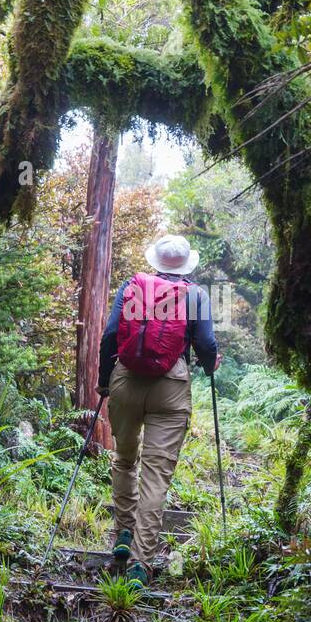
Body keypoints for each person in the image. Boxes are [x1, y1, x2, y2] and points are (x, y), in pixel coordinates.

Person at [98, 234, 219, 587]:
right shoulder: (195, 295)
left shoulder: (131, 287)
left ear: (155, 263)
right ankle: (140, 562)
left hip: (125, 380)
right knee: (155, 476)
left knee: (124, 458)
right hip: (171, 385)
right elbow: (207, 344)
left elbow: (109, 336)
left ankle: (123, 533)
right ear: (185, 266)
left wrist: (105, 382)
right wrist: (210, 365)